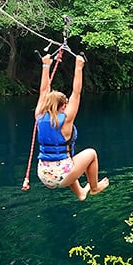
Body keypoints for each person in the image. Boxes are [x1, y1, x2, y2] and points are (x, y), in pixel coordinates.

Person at [34, 52, 109, 200]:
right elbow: (76, 92)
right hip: (61, 175)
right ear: (63, 106)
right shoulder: (66, 120)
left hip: (43, 173)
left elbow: (43, 91)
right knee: (91, 154)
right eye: (66, 105)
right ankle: (94, 188)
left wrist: (45, 65)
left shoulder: (39, 115)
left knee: (69, 159)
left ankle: (81, 193)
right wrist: (79, 66)